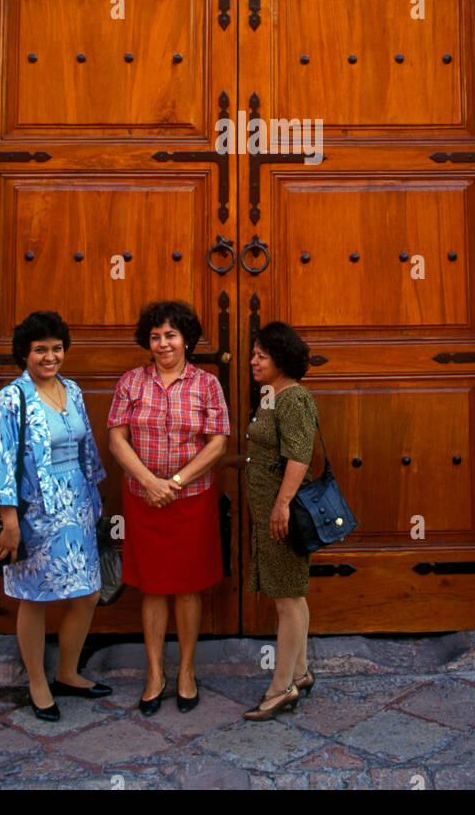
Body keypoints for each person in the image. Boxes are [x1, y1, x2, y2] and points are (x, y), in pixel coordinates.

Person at [0, 310, 111, 720]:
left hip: (76, 505)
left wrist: (95, 500)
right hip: (35, 514)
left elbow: (86, 447)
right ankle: (38, 683)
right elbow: (3, 463)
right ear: (25, 353)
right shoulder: (11, 399)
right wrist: (9, 523)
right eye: (40, 349)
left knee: (89, 592)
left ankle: (68, 673)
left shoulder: (72, 390)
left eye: (56, 348)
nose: (49, 357)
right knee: (34, 598)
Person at [107, 300, 229, 714]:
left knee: (188, 587)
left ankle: (187, 671)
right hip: (144, 499)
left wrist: (175, 482)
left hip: (191, 499)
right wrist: (149, 481)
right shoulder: (130, 382)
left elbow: (218, 442)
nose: (163, 344)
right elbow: (117, 438)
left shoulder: (207, 384)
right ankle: (155, 673)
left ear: (186, 340)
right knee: (153, 587)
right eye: (156, 336)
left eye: (171, 335)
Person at [233, 321, 318, 720]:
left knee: (288, 599)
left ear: (281, 360)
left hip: (281, 515)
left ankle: (280, 687)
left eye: (261, 356)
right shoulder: (272, 396)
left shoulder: (293, 399)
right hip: (270, 511)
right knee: (290, 594)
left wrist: (282, 505)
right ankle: (299, 673)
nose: (253, 361)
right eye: (254, 354)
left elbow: (301, 455)